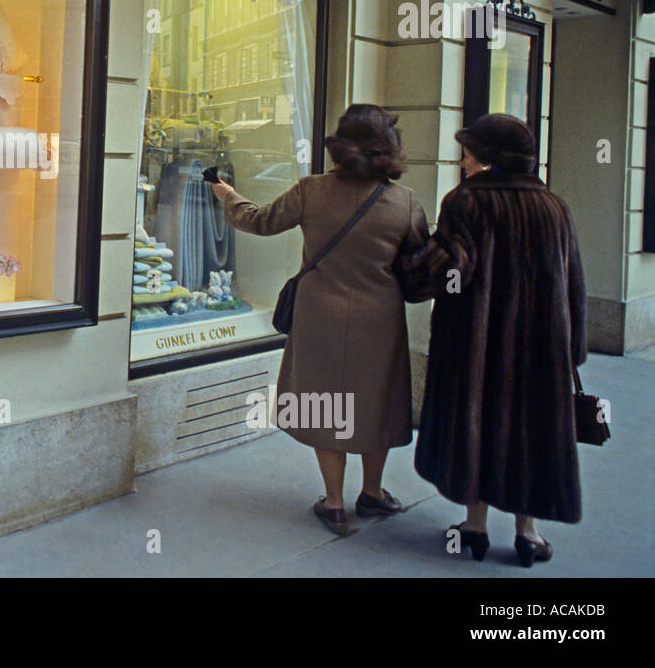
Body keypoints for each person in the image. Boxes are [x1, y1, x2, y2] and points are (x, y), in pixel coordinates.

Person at [210, 104, 430, 535]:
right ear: (389, 149)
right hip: (379, 319)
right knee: (376, 404)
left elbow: (259, 221)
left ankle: (333, 503)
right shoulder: (404, 203)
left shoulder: (311, 190)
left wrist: (228, 196)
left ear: (339, 145)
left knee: (326, 406)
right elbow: (420, 262)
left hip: (319, 316)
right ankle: (373, 494)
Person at [399, 113, 586, 567]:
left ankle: (475, 526)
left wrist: (412, 268)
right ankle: (528, 535)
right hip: (543, 347)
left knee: (476, 425)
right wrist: (572, 348)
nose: (462, 161)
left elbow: (448, 269)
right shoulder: (554, 206)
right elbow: (572, 282)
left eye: (468, 152)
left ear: (486, 157)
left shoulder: (466, 203)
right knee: (533, 430)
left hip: (474, 343)